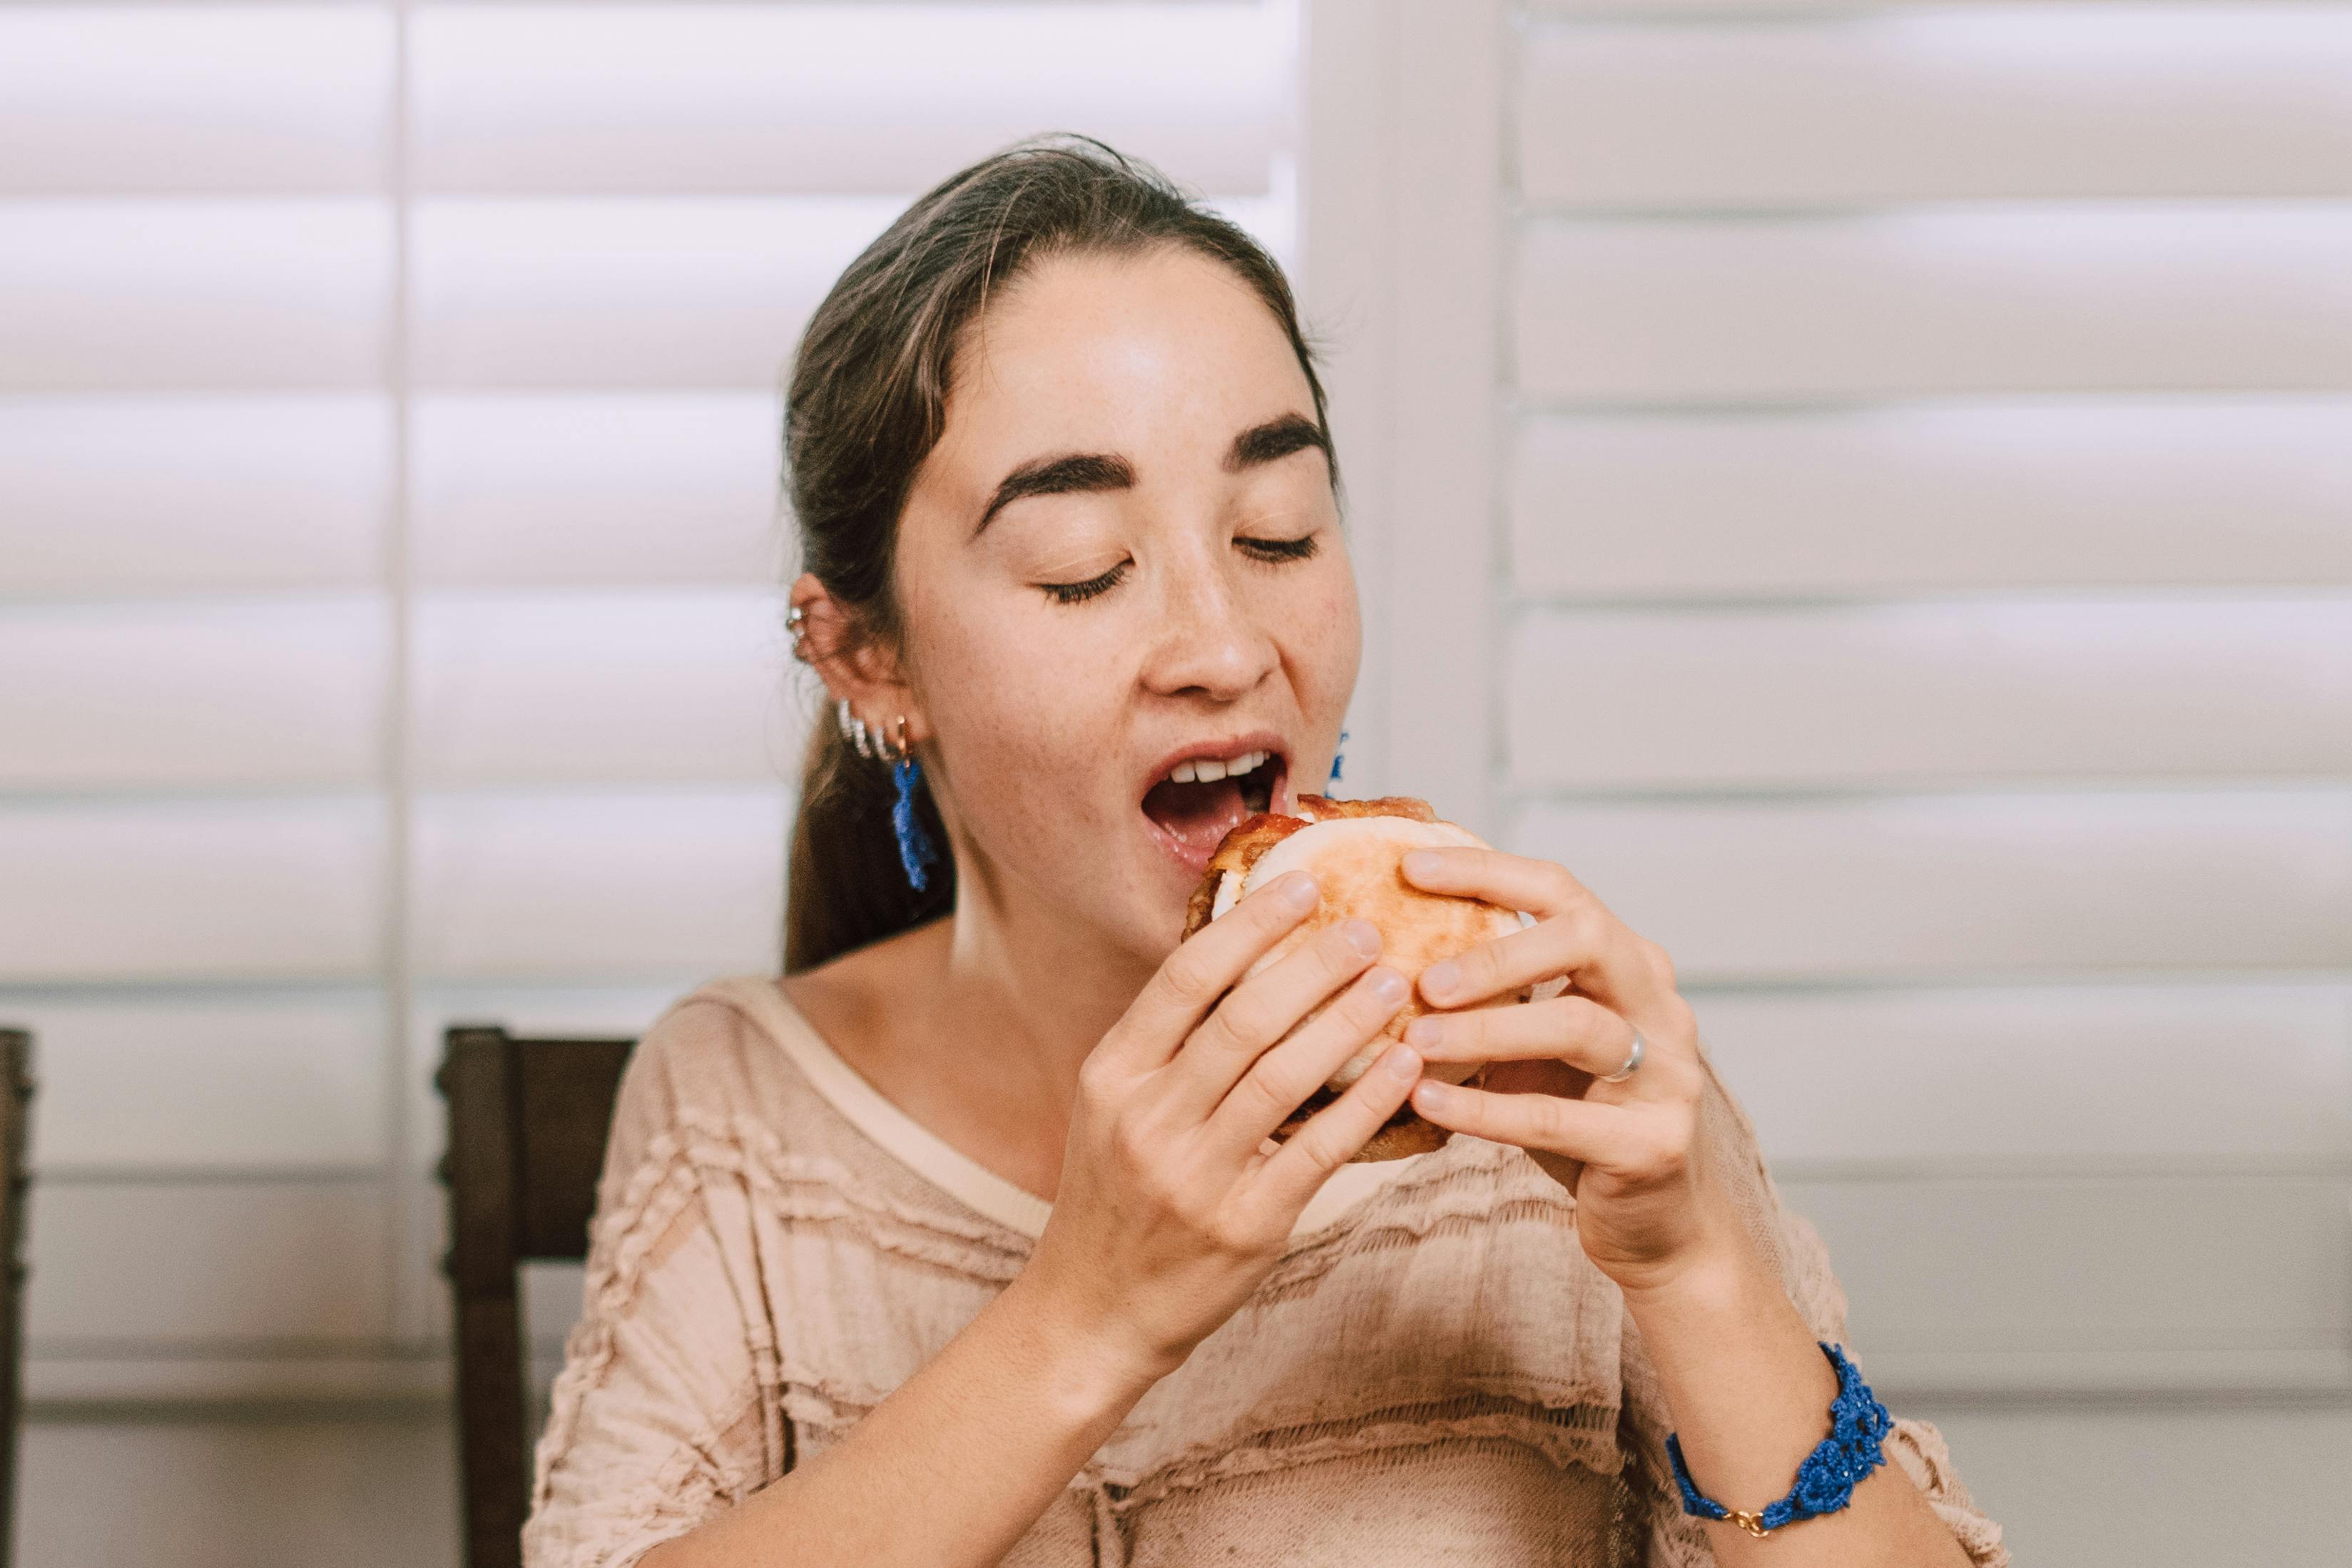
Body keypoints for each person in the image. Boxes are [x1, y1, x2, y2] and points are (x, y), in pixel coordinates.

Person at [524, 137, 2005, 1568]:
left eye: (1278, 533)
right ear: (867, 656)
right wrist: (1087, 1314)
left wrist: (1694, 1269)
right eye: (1082, 569)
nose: (1226, 648)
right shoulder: (738, 1109)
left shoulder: (1565, 1075)